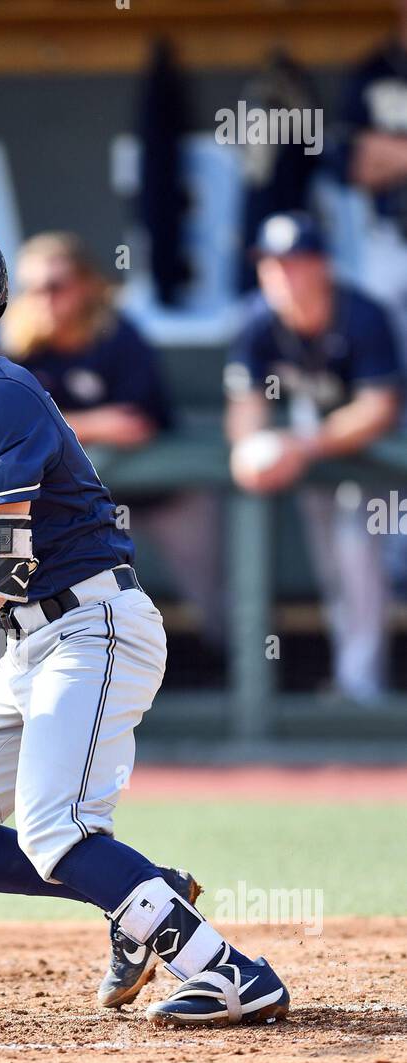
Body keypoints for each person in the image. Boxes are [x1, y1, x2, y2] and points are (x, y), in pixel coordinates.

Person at [0, 214, 290, 1027]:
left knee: (56, 829)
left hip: (96, 627)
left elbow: (1, 563)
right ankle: (143, 892)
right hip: (33, 646)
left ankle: (229, 970)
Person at [1, 232, 224, 646]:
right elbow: (7, 424)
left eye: (56, 286)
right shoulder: (21, 349)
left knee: (215, 602)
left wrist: (55, 424)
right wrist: (93, 423)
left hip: (166, 493)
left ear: (86, 284)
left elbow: (132, 426)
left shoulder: (119, 336)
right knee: (75, 614)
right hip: (86, 509)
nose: (45, 298)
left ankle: (232, 680)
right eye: (34, 289)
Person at [225, 211, 403, 704]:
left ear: (322, 265)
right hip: (315, 451)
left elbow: (378, 410)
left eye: (296, 263)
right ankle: (353, 678)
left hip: (379, 457)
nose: (283, 275)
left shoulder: (362, 314)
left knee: (356, 549)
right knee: (331, 563)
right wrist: (247, 446)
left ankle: (360, 684)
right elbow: (246, 403)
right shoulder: (258, 319)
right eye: (273, 265)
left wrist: (298, 446)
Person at [336, 0, 407, 363]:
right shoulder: (373, 70)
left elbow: (373, 155)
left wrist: (389, 151)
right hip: (387, 235)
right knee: (381, 355)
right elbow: (352, 165)